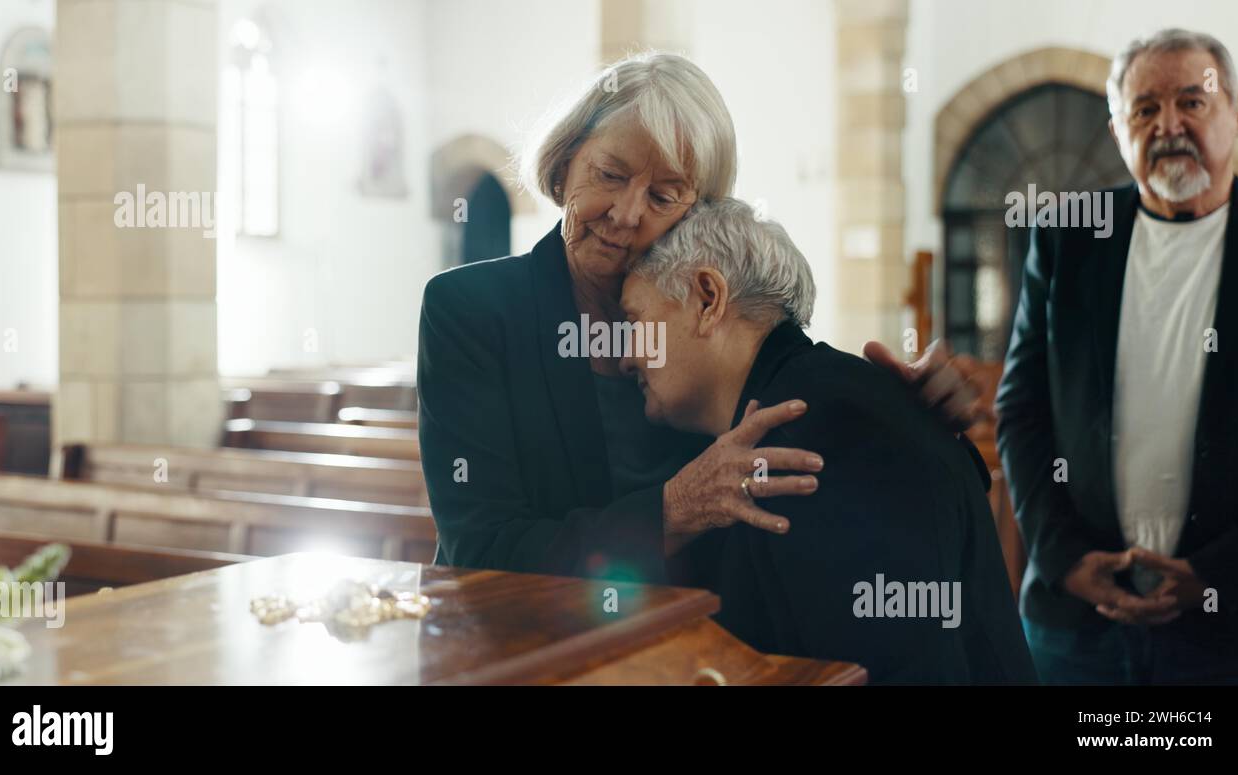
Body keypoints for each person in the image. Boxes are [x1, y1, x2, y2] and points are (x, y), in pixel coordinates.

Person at [417, 52, 984, 585]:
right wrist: (673, 510)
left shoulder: (715, 322)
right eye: (611, 175)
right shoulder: (471, 310)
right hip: (523, 648)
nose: (626, 214)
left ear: (698, 215)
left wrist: (919, 415)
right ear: (565, 167)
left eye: (664, 196)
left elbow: (807, 410)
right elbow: (482, 552)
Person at [617, 198, 1036, 684]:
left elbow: (888, 671)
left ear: (707, 298)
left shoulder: (827, 433)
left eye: (634, 322)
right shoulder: (813, 401)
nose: (626, 357)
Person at [996, 29, 1238, 684]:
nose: (1168, 125)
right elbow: (1021, 410)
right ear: (1117, 129)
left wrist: (1218, 573)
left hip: (1234, 624)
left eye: (1192, 102)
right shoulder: (1068, 235)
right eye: (1144, 109)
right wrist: (1064, 558)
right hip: (1077, 622)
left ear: (1237, 112)